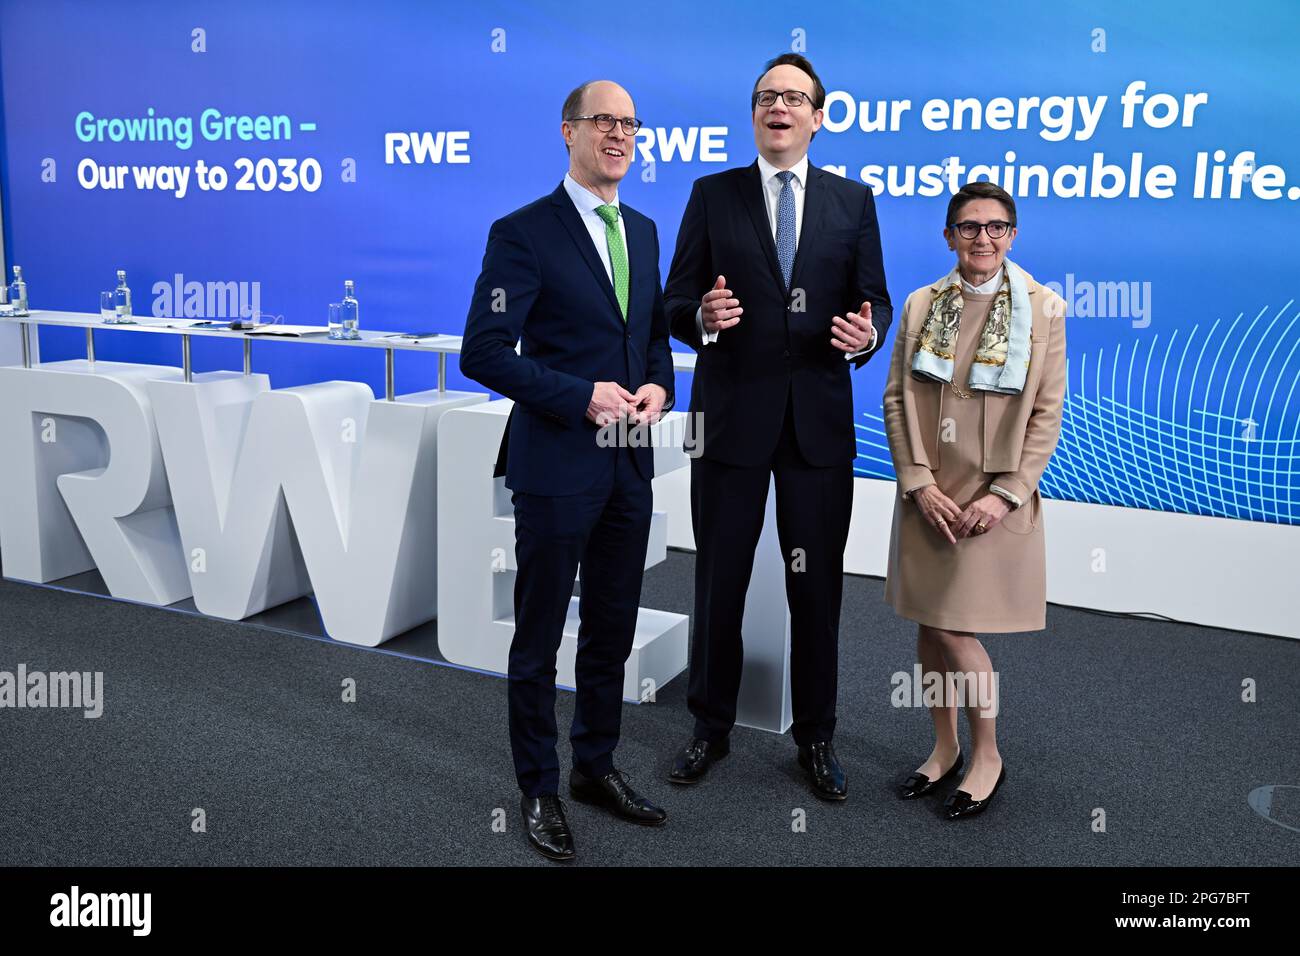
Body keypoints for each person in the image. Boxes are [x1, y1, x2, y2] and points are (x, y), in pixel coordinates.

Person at [663, 53, 891, 800]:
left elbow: (876, 302)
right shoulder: (711, 194)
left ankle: (816, 739)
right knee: (718, 582)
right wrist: (699, 318)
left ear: (819, 116)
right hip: (730, 423)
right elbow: (675, 301)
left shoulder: (852, 203)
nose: (779, 108)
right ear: (753, 113)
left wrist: (869, 335)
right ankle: (709, 729)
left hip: (817, 431)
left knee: (816, 589)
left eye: (794, 97)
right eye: (766, 97)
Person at [459, 80, 676, 860]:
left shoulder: (645, 231)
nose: (618, 135)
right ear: (567, 132)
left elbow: (647, 337)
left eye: (629, 124)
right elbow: (482, 352)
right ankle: (539, 788)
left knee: (611, 628)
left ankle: (594, 767)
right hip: (555, 461)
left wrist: (660, 384)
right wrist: (579, 397)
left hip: (628, 465)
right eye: (602, 122)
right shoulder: (521, 233)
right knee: (540, 635)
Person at [881, 181, 1067, 819]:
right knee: (931, 627)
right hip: (929, 492)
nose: (982, 238)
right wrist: (917, 481)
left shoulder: (1044, 309)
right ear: (949, 235)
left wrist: (1007, 495)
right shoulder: (919, 304)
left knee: (955, 629)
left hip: (992, 497)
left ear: (1012, 234)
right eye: (968, 227)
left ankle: (987, 754)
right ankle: (943, 747)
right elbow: (897, 402)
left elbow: (1046, 414)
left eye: (995, 227)